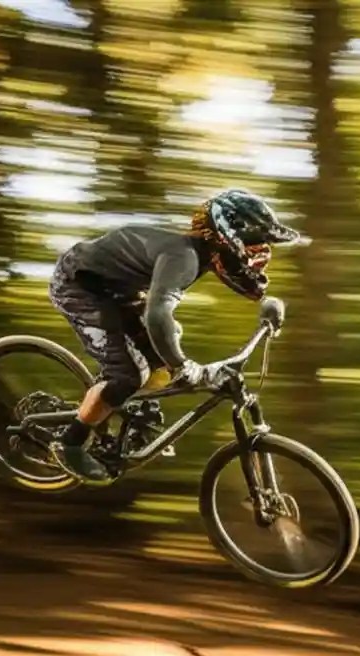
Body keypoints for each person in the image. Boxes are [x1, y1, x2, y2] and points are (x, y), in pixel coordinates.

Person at [46, 188, 302, 483]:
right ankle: (69, 444)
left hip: (117, 292)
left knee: (165, 347)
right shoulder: (185, 257)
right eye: (255, 245)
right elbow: (156, 316)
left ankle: (123, 409)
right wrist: (182, 365)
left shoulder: (198, 256)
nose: (260, 255)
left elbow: (159, 319)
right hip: (80, 286)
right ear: (228, 237)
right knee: (130, 373)